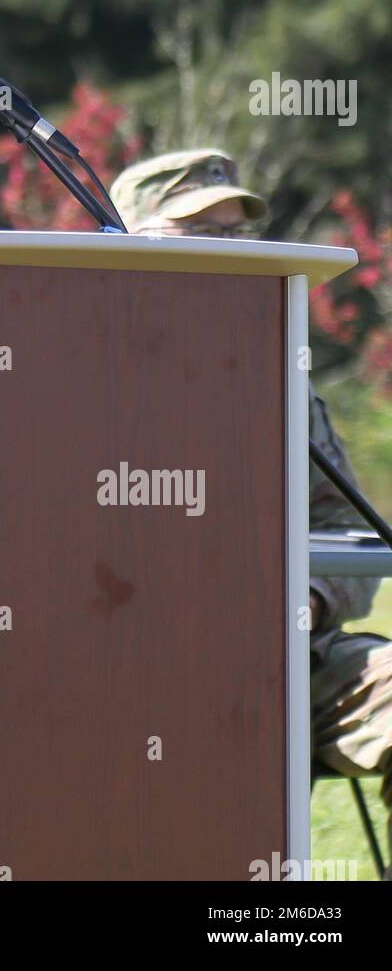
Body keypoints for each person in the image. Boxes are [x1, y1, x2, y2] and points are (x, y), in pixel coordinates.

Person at [111, 148, 392, 871]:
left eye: (238, 233)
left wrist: (309, 601)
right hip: (139, 679)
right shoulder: (79, 379)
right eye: (203, 233)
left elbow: (350, 532)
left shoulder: (279, 374)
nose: (232, 253)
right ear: (129, 244)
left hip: (296, 657)